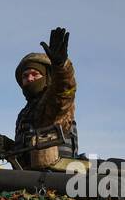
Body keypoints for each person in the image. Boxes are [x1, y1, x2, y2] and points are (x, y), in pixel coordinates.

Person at [13, 27, 78, 170]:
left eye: (35, 74)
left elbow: (64, 89)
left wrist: (61, 66)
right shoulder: (25, 113)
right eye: (25, 76)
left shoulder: (52, 101)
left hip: (58, 176)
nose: (29, 79)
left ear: (48, 77)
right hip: (29, 178)